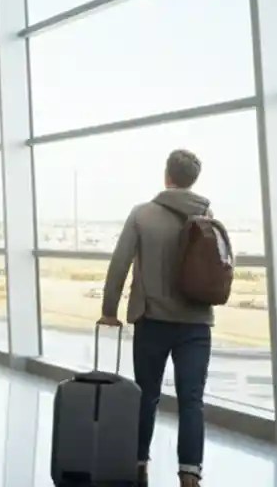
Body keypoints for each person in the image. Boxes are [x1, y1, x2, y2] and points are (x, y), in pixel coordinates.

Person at [100, 149, 212, 487]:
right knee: (192, 400)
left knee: (146, 394)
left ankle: (138, 463)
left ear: (167, 176)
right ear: (193, 180)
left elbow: (119, 264)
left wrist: (109, 310)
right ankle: (189, 474)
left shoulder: (142, 214)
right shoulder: (206, 215)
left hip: (152, 320)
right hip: (197, 322)